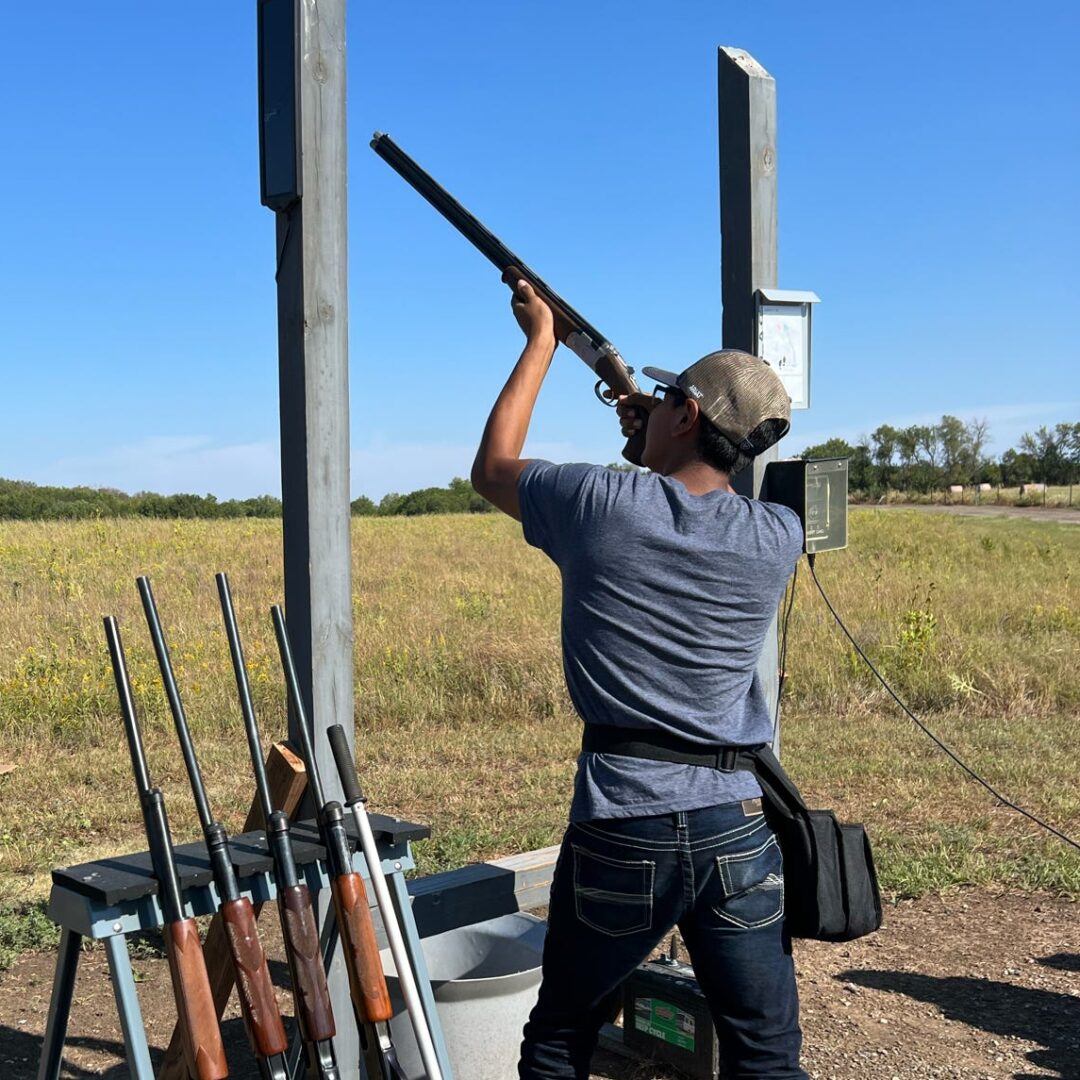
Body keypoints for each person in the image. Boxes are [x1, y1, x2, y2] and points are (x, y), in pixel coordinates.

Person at [471, 276, 808, 1080]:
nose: (646, 404)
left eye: (663, 399)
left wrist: (540, 344)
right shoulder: (779, 535)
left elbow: (493, 468)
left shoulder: (598, 501)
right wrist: (654, 433)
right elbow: (698, 498)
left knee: (560, 1043)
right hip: (737, 821)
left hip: (624, 821)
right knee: (766, 1056)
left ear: (688, 415)